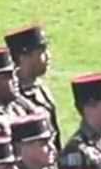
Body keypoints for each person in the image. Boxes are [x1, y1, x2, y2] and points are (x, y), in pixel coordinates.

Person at [6, 24, 61, 152]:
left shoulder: (42, 90)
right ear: (23, 57)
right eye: (41, 51)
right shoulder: (11, 96)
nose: (48, 56)